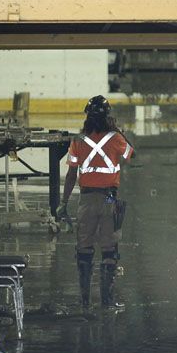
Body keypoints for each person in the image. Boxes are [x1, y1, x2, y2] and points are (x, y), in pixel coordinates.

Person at [56, 95, 134, 311]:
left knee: (84, 249)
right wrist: (118, 130)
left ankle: (85, 302)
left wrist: (64, 202)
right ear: (108, 116)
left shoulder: (78, 140)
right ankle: (107, 303)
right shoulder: (116, 138)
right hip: (110, 198)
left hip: (86, 200)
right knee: (109, 250)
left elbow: (72, 174)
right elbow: (130, 154)